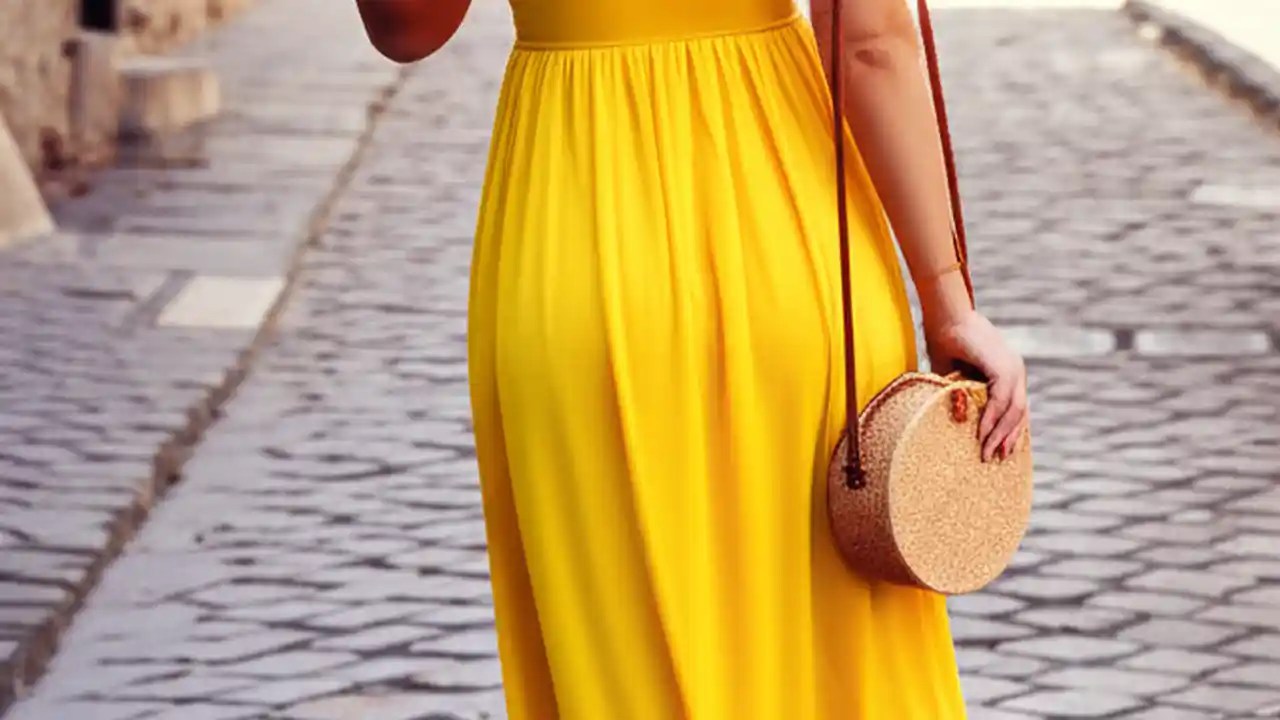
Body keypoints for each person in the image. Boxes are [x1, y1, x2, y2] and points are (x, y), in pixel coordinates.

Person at [357, 0, 1029, 717]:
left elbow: (406, 26)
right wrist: (948, 300)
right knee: (832, 645)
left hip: (579, 228)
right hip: (783, 229)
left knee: (620, 648)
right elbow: (869, 41)